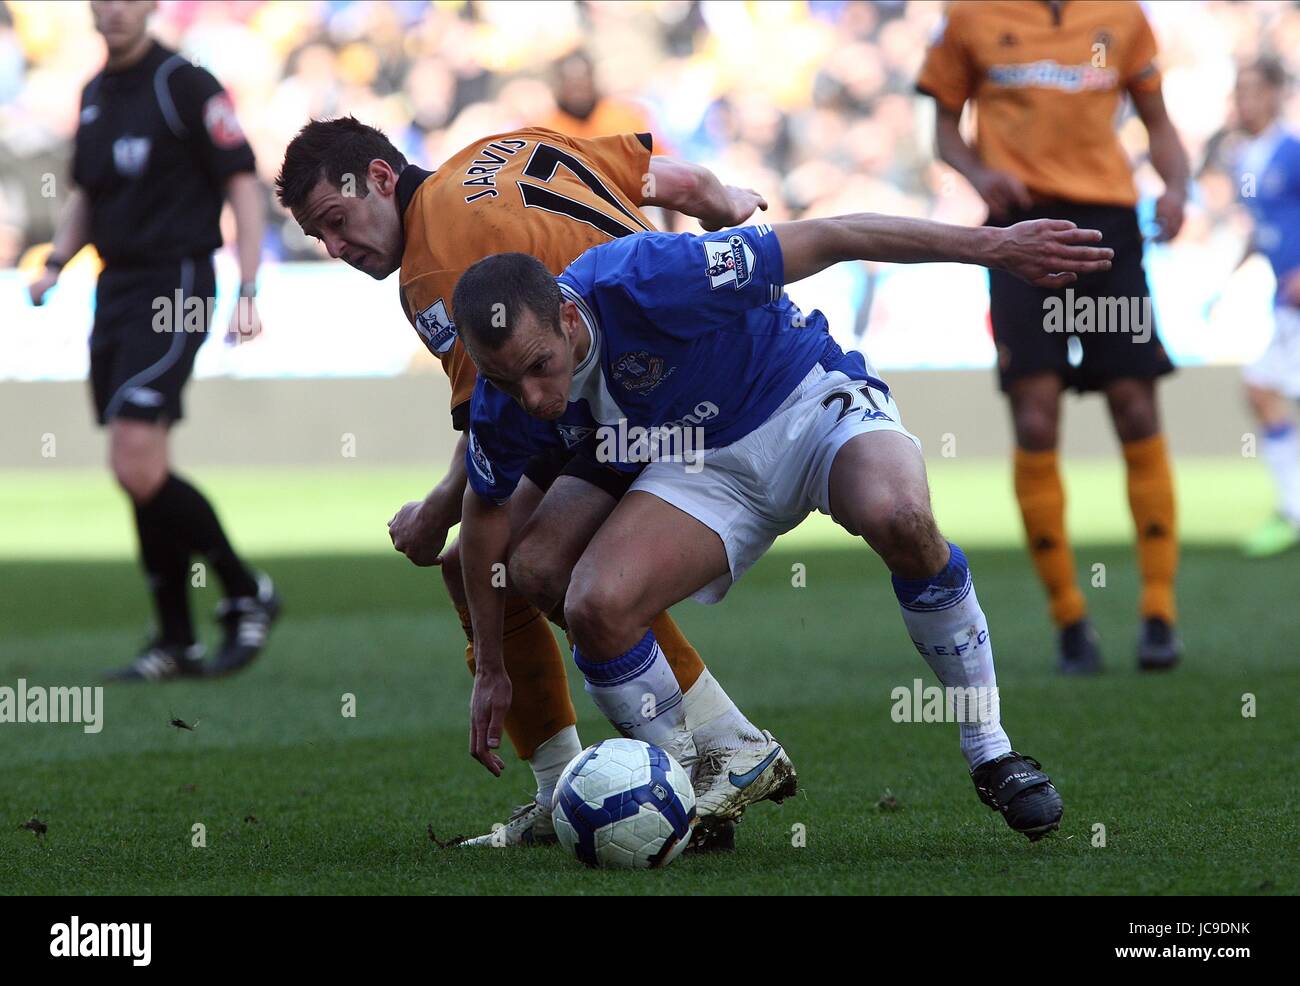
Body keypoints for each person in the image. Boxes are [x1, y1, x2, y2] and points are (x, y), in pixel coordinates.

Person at [453, 214, 1115, 840]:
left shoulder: (650, 278)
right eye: (509, 382)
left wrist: (993, 247)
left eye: (541, 367)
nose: (533, 399)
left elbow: (835, 234)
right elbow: (483, 517)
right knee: (595, 606)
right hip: (702, 462)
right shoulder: (503, 391)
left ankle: (990, 749)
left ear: (569, 317)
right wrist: (490, 664)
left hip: (807, 402)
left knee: (903, 519)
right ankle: (683, 795)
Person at [275, 117, 792, 846]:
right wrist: (725, 202)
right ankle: (572, 784)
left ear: (382, 179)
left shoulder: (433, 269)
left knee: (534, 564)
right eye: (317, 238)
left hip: (642, 381)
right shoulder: (503, 147)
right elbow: (671, 179)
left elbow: (493, 432)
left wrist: (431, 511)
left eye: (336, 220)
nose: (335, 247)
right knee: (478, 563)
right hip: (683, 351)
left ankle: (716, 749)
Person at [917, 0, 1189, 673]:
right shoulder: (970, 17)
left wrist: (1178, 185)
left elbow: (1158, 121)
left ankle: (1158, 610)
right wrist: (980, 176)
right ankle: (1070, 618)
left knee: (1135, 405)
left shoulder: (1121, 15)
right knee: (1036, 419)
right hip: (1019, 230)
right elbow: (945, 131)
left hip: (1109, 229)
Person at [29, 0, 277, 681]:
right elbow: (87, 192)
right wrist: (55, 261)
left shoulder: (184, 83)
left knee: (133, 461)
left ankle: (245, 590)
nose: (112, 9)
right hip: (113, 290)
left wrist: (249, 285)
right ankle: (176, 640)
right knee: (144, 470)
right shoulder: (94, 93)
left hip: (176, 284)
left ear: (150, 7)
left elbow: (241, 184)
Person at [1229, 58, 1300, 557]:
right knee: (1264, 390)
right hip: (1284, 297)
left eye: (1254, 90)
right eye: (1240, 91)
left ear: (1276, 94)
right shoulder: (1244, 157)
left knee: (1262, 387)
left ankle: (1293, 510)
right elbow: (1263, 225)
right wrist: (1237, 267)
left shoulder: (1291, 152)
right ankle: (1293, 508)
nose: (1245, 100)